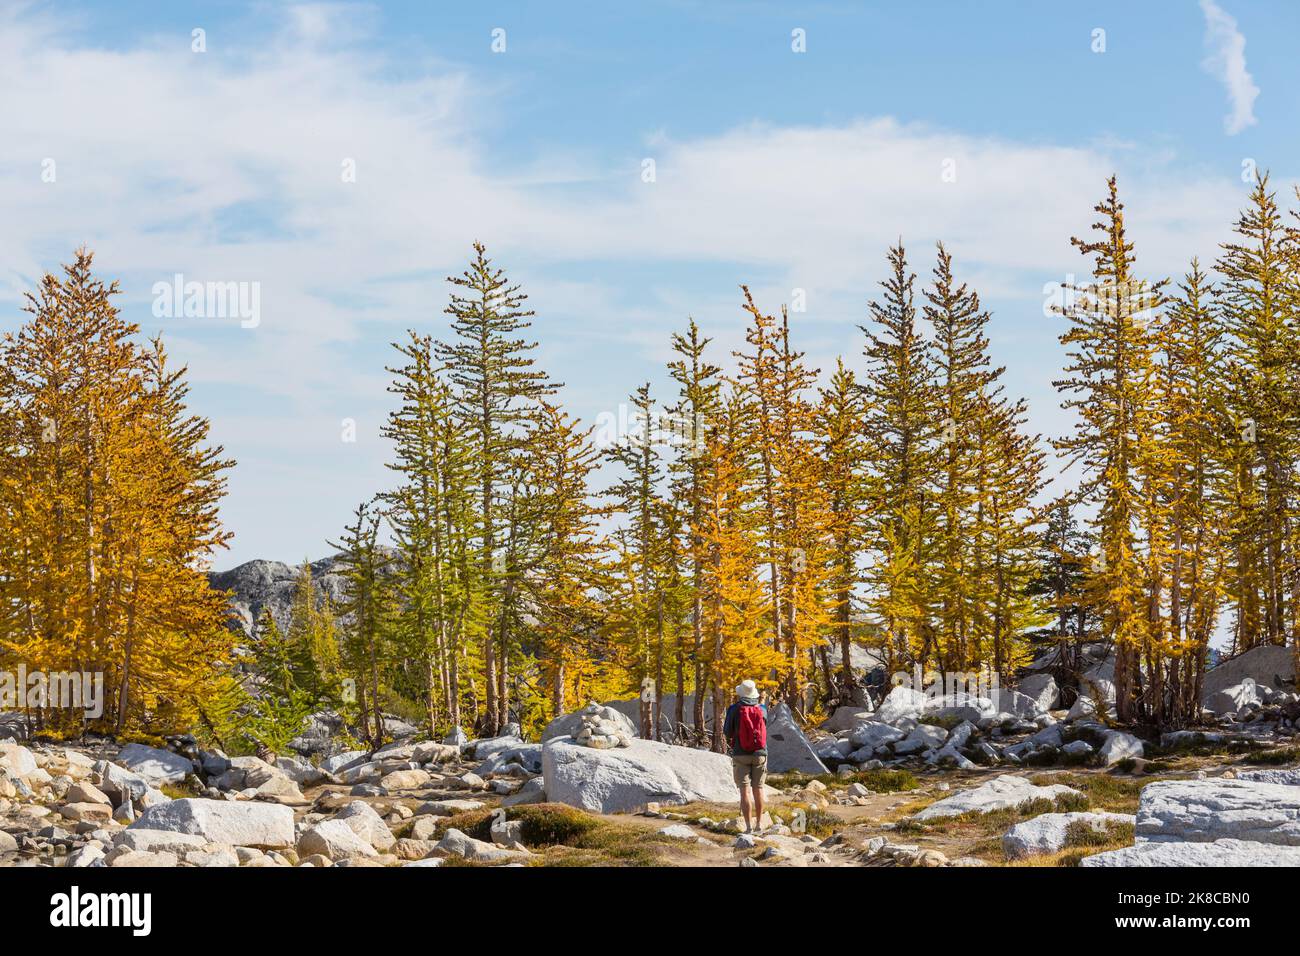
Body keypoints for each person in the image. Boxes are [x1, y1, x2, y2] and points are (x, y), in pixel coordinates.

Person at [723, 679, 767, 833]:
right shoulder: (762, 708)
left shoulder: (734, 709)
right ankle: (760, 824)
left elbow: (727, 732)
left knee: (745, 790)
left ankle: (748, 827)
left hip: (740, 753)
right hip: (760, 753)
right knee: (759, 789)